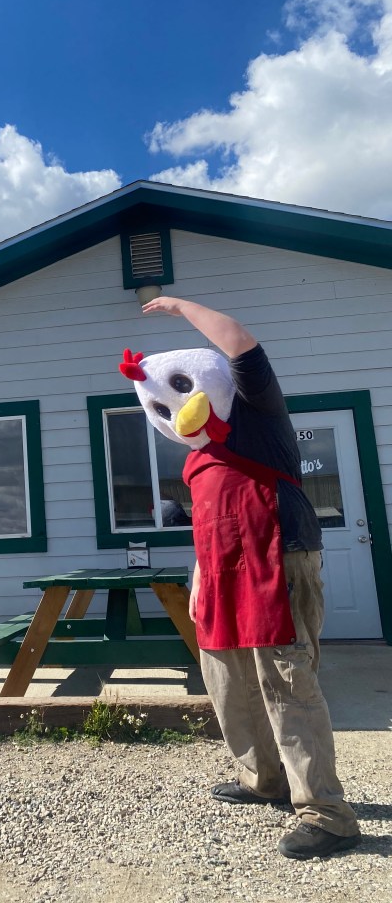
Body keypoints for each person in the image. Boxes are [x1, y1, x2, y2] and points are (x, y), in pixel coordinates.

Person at [120, 296, 360, 861]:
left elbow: (242, 347)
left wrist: (181, 306)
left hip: (282, 560)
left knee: (287, 683)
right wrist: (200, 580)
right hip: (220, 573)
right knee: (227, 680)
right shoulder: (195, 459)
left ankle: (327, 813)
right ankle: (265, 779)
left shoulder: (260, 417)